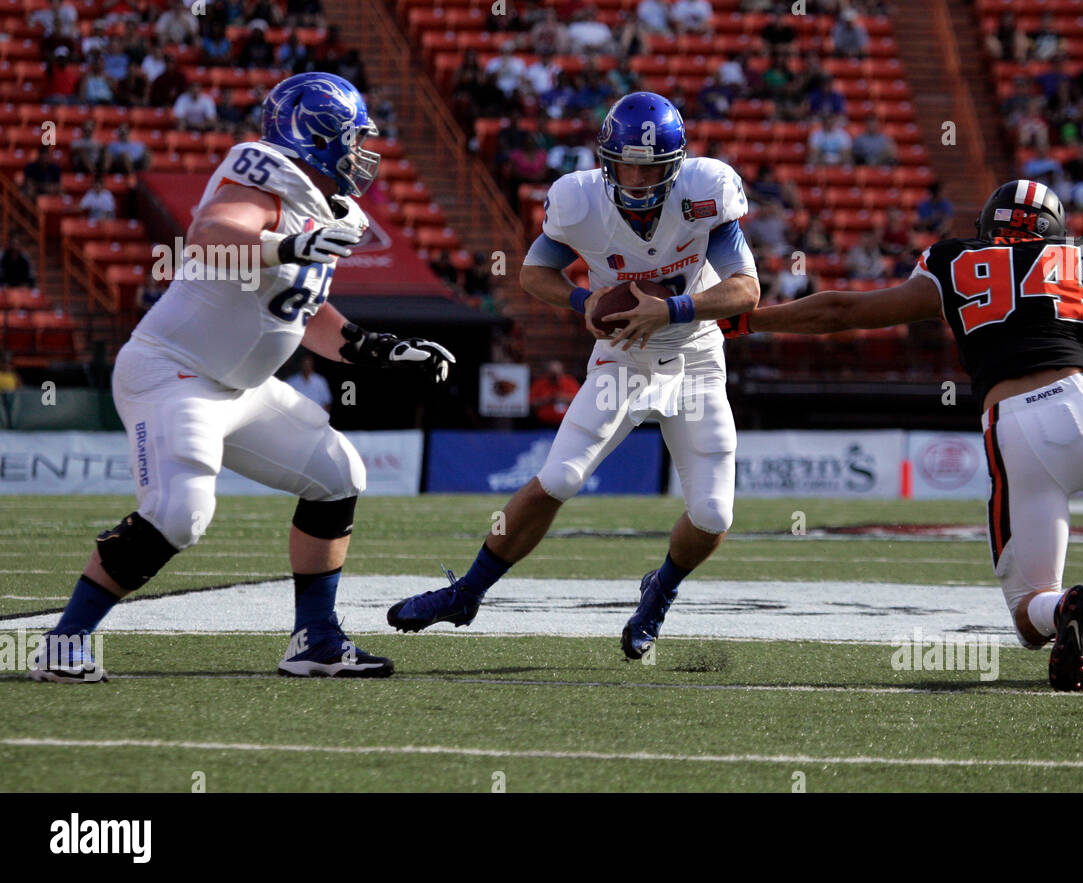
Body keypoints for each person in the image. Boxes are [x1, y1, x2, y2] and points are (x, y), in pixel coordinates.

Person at [716, 178, 1083, 689]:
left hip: (1016, 423)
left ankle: (1064, 608)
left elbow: (842, 312)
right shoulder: (1081, 255)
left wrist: (749, 320)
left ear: (987, 224)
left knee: (1028, 613)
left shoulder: (950, 260)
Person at [31, 73, 456, 683]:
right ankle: (64, 641)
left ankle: (316, 639)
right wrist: (293, 246)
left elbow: (303, 314)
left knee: (337, 474)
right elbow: (209, 238)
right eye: (355, 137)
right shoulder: (266, 171)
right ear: (318, 134)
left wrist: (384, 350)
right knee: (179, 513)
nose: (364, 151)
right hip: (174, 373)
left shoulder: (329, 209)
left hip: (241, 389)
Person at [388, 92, 759, 661]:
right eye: (626, 165)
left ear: (677, 164)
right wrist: (583, 301)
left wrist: (671, 310)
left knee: (713, 514)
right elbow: (535, 272)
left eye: (651, 167)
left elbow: (745, 290)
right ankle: (467, 593)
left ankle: (659, 593)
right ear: (606, 160)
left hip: (695, 358)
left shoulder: (704, 191)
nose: (637, 178)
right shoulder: (580, 200)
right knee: (559, 477)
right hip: (621, 357)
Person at [530, 360, 580, 427]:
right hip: (543, 424)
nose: (556, 377)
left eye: (558, 374)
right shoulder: (539, 383)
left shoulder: (570, 382)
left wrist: (564, 398)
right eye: (553, 375)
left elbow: (580, 400)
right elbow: (531, 403)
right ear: (548, 373)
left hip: (567, 424)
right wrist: (546, 400)